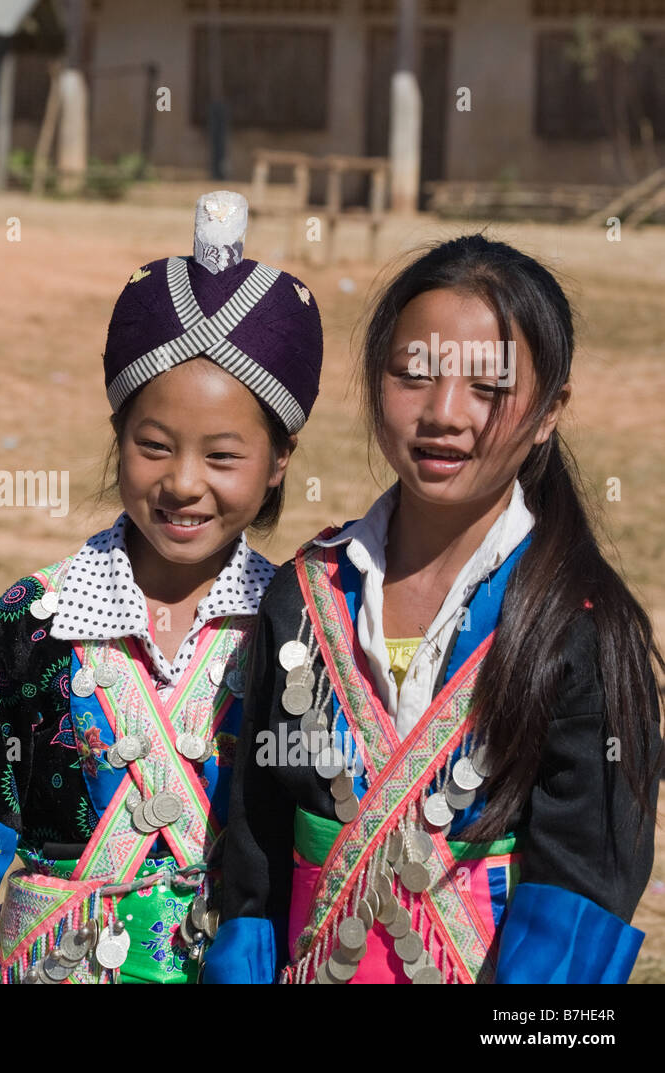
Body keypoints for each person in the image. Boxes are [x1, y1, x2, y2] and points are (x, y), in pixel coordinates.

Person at [0, 191, 324, 983]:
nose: (183, 484)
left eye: (222, 457)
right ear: (118, 437)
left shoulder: (303, 630)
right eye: (153, 445)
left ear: (279, 461)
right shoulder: (30, 625)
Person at [207, 234, 662, 985]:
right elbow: (255, 861)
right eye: (413, 374)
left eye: (489, 387)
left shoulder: (580, 626)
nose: (444, 414)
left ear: (550, 411)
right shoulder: (305, 596)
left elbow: (581, 892)